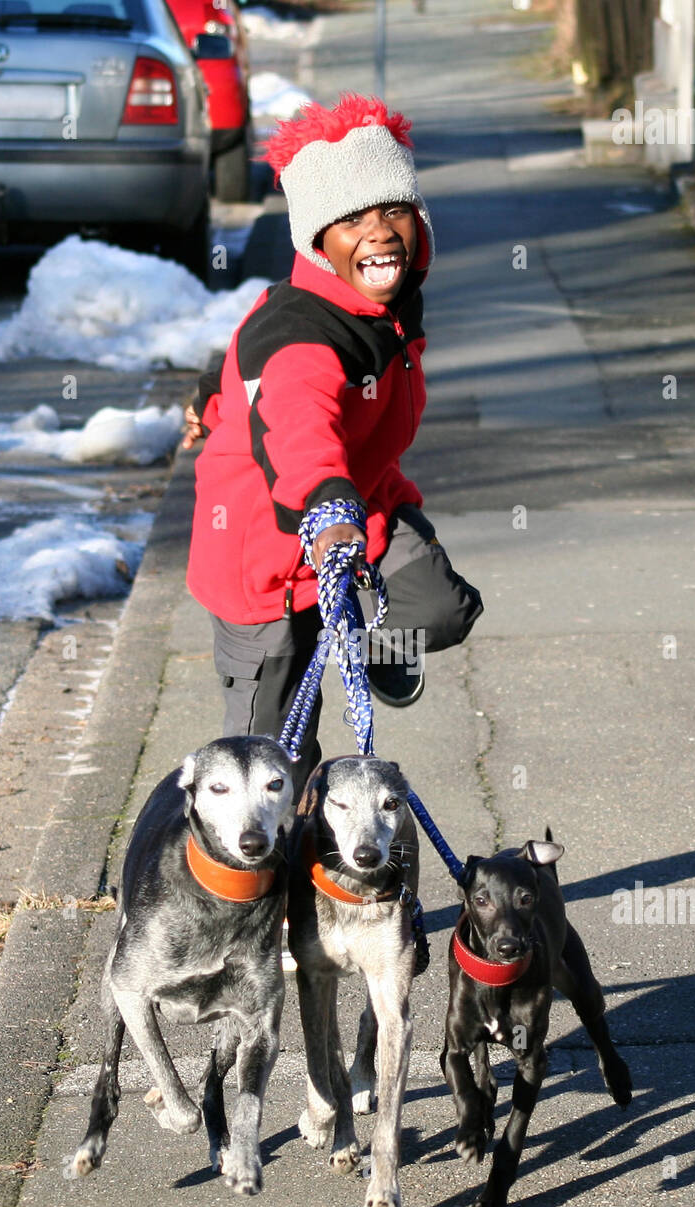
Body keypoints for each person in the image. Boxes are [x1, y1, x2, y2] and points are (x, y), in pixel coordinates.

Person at [185, 92, 483, 803]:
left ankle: (363, 639)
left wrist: (210, 397)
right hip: (269, 554)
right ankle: (250, 894)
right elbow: (298, 420)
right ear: (316, 240)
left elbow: (240, 377)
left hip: (362, 506)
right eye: (351, 220)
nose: (379, 234)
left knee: (439, 607)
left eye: (394, 211)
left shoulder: (383, 306)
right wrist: (325, 501)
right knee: (270, 763)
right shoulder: (303, 337)